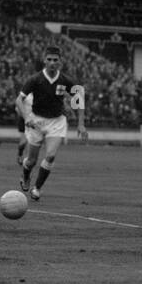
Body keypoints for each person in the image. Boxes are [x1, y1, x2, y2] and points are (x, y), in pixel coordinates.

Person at [15, 45, 87, 201]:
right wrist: (27, 117)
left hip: (56, 121)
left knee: (51, 155)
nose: (52, 62)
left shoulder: (66, 80)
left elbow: (79, 97)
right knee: (31, 161)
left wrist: (81, 123)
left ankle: (37, 188)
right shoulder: (35, 79)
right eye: (49, 60)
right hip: (36, 121)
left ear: (60, 61)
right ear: (44, 60)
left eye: (55, 60)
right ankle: (26, 175)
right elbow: (19, 100)